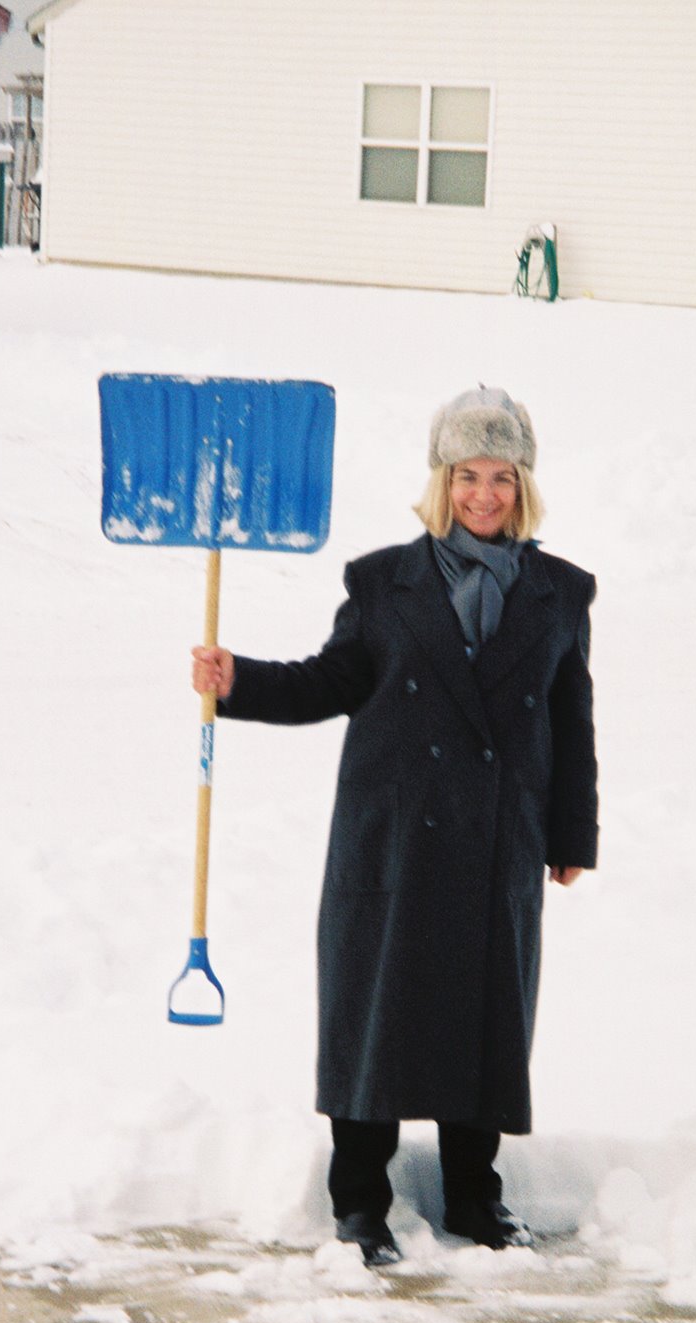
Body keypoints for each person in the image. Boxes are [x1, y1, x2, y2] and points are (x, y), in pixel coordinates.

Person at [191, 387, 598, 1265]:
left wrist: (570, 837)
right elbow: (330, 681)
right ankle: (359, 1204)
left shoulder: (561, 594)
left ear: (523, 485)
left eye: (500, 476)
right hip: (394, 837)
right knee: (376, 1016)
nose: (482, 495)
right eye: (466, 475)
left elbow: (571, 722)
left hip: (498, 839)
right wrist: (240, 681)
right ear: (440, 480)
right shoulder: (383, 583)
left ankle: (473, 1199)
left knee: (484, 1020)